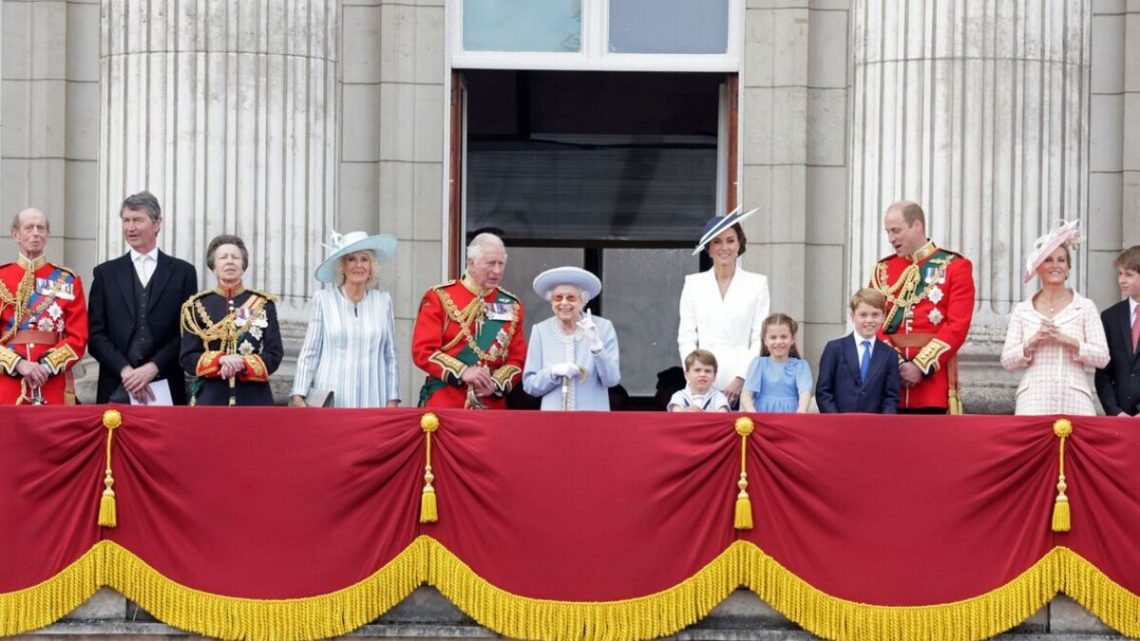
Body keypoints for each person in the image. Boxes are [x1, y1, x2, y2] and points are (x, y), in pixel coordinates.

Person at [88, 192, 198, 405]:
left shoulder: (183, 272)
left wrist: (152, 367)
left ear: (157, 224)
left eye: (138, 220)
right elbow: (96, 334)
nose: (130, 227)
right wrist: (126, 371)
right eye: (126, 220)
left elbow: (188, 332)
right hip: (116, 384)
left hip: (165, 384)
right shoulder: (105, 273)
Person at [869, 200, 975, 414]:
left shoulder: (955, 266)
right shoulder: (883, 270)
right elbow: (870, 322)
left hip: (931, 386)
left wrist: (920, 366)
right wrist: (896, 364)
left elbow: (957, 326)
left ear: (916, 225)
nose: (891, 239)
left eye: (896, 231)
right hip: (890, 384)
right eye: (888, 232)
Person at [1001, 221, 1108, 415]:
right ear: (1038, 268)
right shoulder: (1023, 310)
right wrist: (1032, 342)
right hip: (1033, 400)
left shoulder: (1085, 306)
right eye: (1048, 260)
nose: (1055, 265)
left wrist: (1069, 341)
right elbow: (1007, 361)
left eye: (1061, 260)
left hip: (1075, 399)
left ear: (1068, 268)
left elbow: (1102, 357)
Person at [412, 232, 526, 409]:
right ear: (471, 262)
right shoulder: (439, 297)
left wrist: (495, 384)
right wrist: (463, 371)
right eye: (490, 264)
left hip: (491, 406)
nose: (497, 271)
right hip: (447, 403)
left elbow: (517, 360)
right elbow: (423, 351)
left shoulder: (512, 305)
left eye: (500, 264)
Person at [290, 231, 401, 408]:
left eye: (364, 259)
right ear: (342, 266)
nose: (359, 265)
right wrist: (298, 394)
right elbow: (310, 351)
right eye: (351, 259)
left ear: (371, 267)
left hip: (373, 398)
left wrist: (393, 399)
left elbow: (390, 355)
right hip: (331, 398)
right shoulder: (323, 300)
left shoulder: (383, 302)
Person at [678, 207, 769, 408]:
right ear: (708, 248)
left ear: (739, 245)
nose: (724, 247)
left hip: (742, 381)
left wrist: (741, 378)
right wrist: (697, 374)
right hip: (701, 381)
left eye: (730, 240)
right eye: (717, 242)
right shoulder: (694, 284)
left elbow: (758, 338)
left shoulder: (757, 284)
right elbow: (686, 336)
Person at [180, 234, 283, 406]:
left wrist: (242, 362)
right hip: (211, 398)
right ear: (214, 267)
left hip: (253, 398)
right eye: (223, 257)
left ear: (243, 266)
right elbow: (187, 358)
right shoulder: (197, 306)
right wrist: (220, 360)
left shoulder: (263, 304)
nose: (230, 261)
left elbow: (274, 354)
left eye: (235, 257)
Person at [0, 208, 87, 404]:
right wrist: (18, 363)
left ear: (47, 236)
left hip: (52, 381)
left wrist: (46, 367)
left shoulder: (67, 280)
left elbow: (78, 336)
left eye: (41, 228)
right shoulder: (1, 279)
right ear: (16, 235)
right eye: (28, 228)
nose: (36, 233)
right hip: (8, 383)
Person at [522, 266, 620, 410]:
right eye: (558, 298)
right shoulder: (540, 331)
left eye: (571, 298)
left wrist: (596, 345)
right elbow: (530, 386)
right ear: (551, 302)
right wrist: (552, 372)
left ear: (583, 301)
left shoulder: (603, 327)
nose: (564, 303)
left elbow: (612, 380)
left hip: (592, 421)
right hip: (553, 422)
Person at [816, 289, 900, 414]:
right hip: (839, 423)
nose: (869, 320)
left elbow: (891, 397)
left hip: (874, 426)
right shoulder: (834, 348)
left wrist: (883, 424)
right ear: (852, 316)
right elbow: (824, 391)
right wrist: (835, 420)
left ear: (883, 317)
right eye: (863, 315)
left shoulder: (889, 354)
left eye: (875, 315)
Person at [1096, 245, 1140, 416]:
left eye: (1128, 275)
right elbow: (1103, 372)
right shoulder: (1110, 317)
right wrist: (1115, 411)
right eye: (1120, 274)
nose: (1122, 280)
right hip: (1120, 416)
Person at [740, 313, 813, 413]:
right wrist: (752, 413)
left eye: (783, 337)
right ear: (765, 341)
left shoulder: (801, 366)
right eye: (773, 337)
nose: (778, 341)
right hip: (763, 416)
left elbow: (805, 393)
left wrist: (801, 411)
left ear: (792, 340)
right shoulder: (758, 364)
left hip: (791, 416)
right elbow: (746, 394)